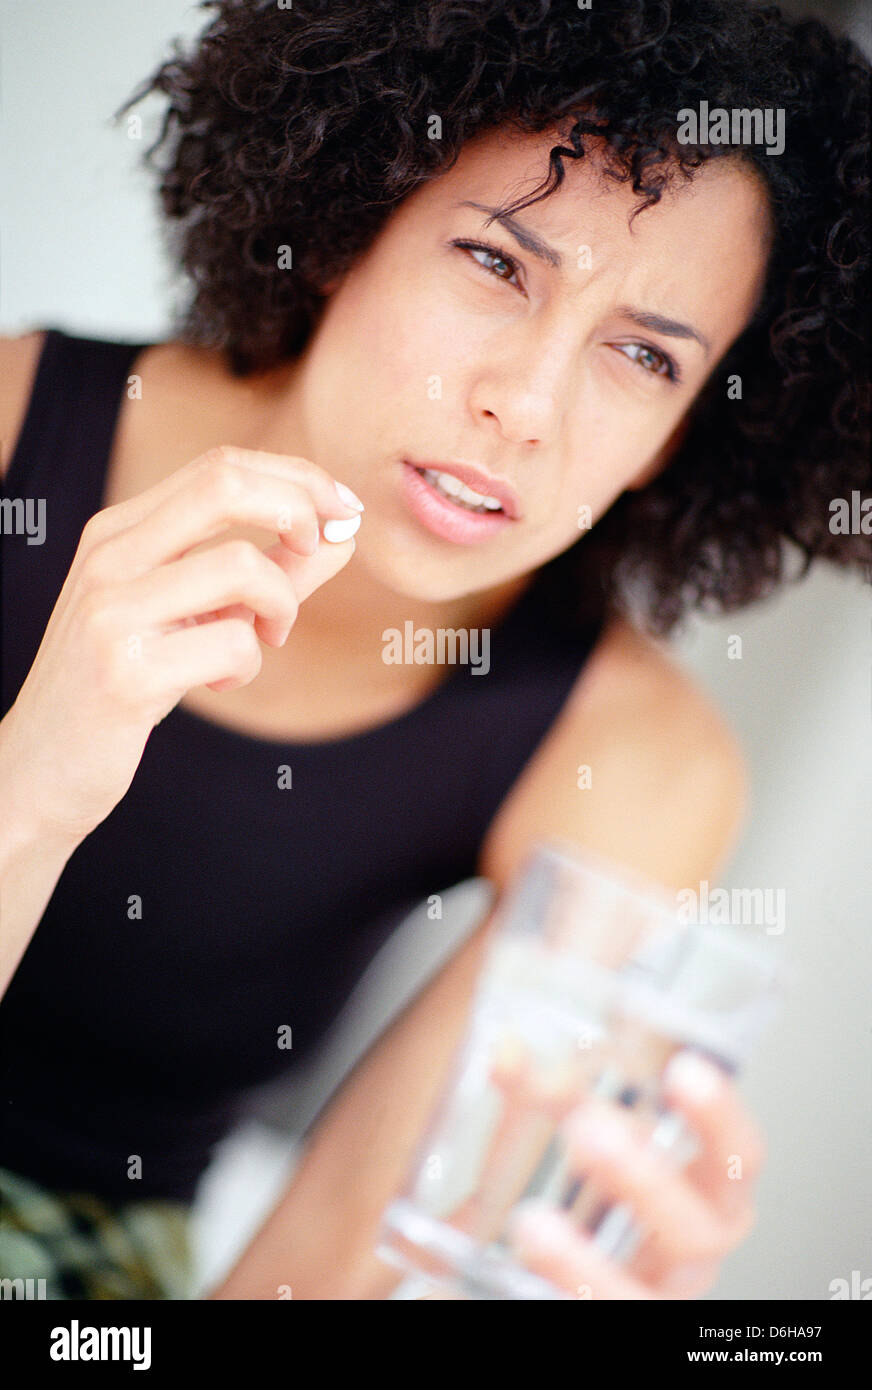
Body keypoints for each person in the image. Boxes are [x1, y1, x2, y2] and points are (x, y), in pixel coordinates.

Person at [0, 0, 868, 1300]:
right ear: (351, 222)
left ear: (685, 433)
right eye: (495, 262)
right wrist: (41, 774)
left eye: (643, 354)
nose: (523, 406)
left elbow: (326, 1263)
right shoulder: (18, 429)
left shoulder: (627, 756)